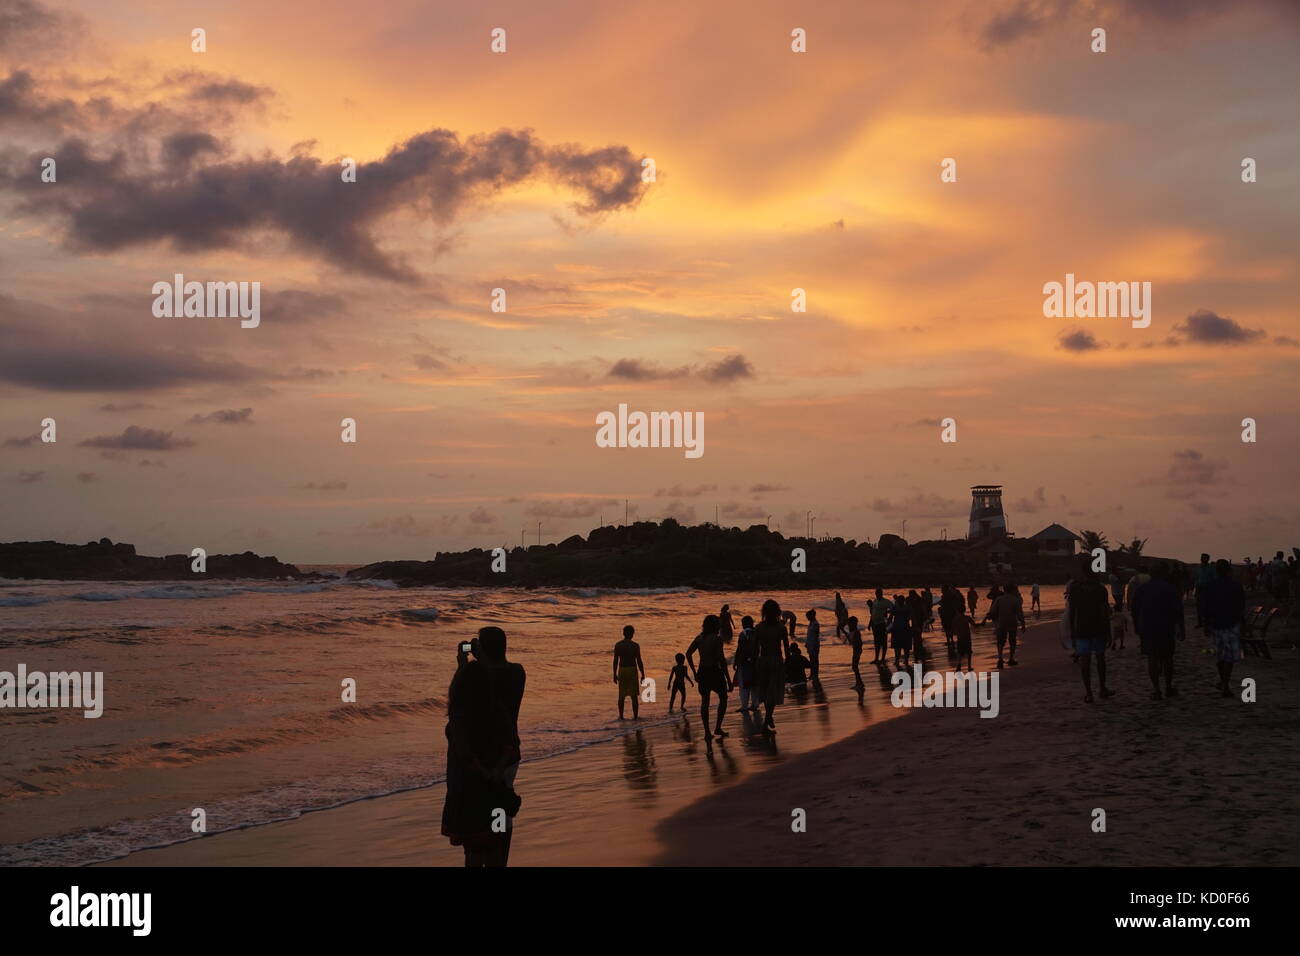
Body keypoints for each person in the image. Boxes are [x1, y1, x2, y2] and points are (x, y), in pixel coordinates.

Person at [442, 626, 526, 867]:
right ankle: (499, 860)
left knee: (478, 821)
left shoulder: (476, 676)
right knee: (500, 811)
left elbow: (466, 691)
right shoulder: (517, 672)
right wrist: (479, 659)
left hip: (478, 760)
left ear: (482, 650)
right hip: (507, 753)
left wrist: (463, 665)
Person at [1132, 562, 1185, 700]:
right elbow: (1178, 610)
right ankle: (1168, 687)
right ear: (1164, 573)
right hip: (1166, 627)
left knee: (1152, 657)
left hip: (1148, 627)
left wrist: (1136, 626)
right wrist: (1181, 628)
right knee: (1167, 658)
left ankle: (1156, 690)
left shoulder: (1142, 589)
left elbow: (1134, 609)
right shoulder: (1170, 589)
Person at [1069, 559, 1114, 703]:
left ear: (1083, 572)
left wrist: (1072, 632)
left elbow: (1071, 612)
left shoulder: (1075, 588)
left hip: (1081, 629)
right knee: (1100, 659)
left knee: (1085, 662)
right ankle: (1102, 688)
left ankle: (1089, 693)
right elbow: (1104, 612)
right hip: (1098, 628)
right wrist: (1108, 631)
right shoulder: (1101, 589)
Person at [685, 614, 732, 743]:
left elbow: (688, 654)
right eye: (718, 624)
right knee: (723, 698)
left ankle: (707, 731)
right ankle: (717, 727)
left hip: (703, 672)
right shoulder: (717, 639)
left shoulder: (699, 638)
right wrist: (728, 679)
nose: (720, 626)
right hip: (714, 672)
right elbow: (721, 660)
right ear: (715, 626)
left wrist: (694, 672)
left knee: (705, 701)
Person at [1203, 558, 1245, 698]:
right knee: (1229, 657)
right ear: (1229, 571)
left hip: (1216, 624)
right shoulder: (1236, 586)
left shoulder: (1210, 586)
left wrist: (1206, 624)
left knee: (1220, 656)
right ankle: (1225, 684)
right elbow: (1241, 607)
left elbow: (1206, 607)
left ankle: (1223, 681)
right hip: (1231, 624)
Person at [753, 599, 790, 733]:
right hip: (776, 660)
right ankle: (768, 718)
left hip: (762, 661)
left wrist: (753, 663)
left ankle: (767, 720)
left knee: (765, 691)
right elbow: (786, 648)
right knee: (773, 692)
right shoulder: (781, 628)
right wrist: (788, 663)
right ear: (777, 612)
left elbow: (755, 648)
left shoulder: (758, 627)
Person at [983, 585, 1025, 668]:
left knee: (1000, 642)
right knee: (1012, 641)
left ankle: (1000, 658)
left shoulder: (999, 599)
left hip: (1001, 623)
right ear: (1012, 590)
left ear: (1004, 590)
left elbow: (993, 611)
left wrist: (987, 617)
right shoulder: (1015, 600)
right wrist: (1023, 623)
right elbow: (1019, 613)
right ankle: (1011, 659)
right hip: (1012, 623)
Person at [612, 624, 645, 719]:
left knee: (621, 695)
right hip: (632, 670)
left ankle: (621, 716)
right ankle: (635, 717)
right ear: (632, 634)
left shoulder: (618, 645)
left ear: (623, 633)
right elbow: (639, 660)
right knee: (634, 696)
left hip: (622, 670)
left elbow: (615, 661)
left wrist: (614, 674)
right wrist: (643, 674)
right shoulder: (635, 646)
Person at [733, 615, 758, 712]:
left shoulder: (743, 634)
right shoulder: (756, 633)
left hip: (745, 662)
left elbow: (740, 649)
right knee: (755, 684)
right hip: (755, 661)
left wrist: (736, 661)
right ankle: (754, 704)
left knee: (744, 685)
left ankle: (744, 706)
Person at [939, 584, 964, 649]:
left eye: (942, 589)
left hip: (948, 614)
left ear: (945, 589)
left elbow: (944, 604)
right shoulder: (952, 595)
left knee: (948, 627)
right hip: (951, 614)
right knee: (951, 627)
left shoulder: (946, 596)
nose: (941, 590)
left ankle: (950, 640)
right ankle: (951, 640)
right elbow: (957, 603)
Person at [890, 594, 913, 666]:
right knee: (902, 646)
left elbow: (890, 617)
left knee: (899, 646)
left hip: (901, 628)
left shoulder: (899, 607)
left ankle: (900, 660)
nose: (900, 602)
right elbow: (910, 617)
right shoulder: (906, 607)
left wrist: (888, 626)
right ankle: (901, 660)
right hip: (901, 628)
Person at [869, 588, 891, 662]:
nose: (877, 595)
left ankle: (883, 658)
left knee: (883, 641)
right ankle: (876, 658)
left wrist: (887, 612)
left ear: (881, 594)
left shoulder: (886, 601)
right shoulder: (875, 601)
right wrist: (870, 623)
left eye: (878, 593)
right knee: (876, 642)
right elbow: (872, 613)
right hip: (875, 624)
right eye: (876, 593)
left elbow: (893, 609)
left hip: (882, 624)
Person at [1194, 553, 1214, 627]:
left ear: (1208, 559)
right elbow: (1196, 579)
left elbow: (1213, 578)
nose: (1202, 559)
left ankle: (1207, 622)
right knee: (1199, 606)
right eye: (1202, 557)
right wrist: (1195, 589)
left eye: (1204, 558)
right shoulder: (1198, 568)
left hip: (1207, 589)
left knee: (1207, 606)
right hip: (1199, 588)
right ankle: (1200, 622)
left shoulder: (1211, 568)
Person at [846, 615, 863, 688]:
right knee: (854, 667)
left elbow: (858, 642)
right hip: (856, 650)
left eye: (849, 624)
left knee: (854, 667)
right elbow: (851, 641)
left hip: (857, 651)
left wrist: (856, 647)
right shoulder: (854, 632)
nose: (849, 626)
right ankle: (859, 683)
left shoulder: (856, 632)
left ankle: (859, 683)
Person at [804, 609, 821, 680]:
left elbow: (816, 636)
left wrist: (814, 645)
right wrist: (807, 643)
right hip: (810, 644)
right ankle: (812, 674)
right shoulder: (811, 623)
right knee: (811, 659)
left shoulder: (816, 624)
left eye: (808, 616)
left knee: (815, 660)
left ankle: (815, 675)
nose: (807, 618)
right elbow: (809, 635)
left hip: (814, 644)